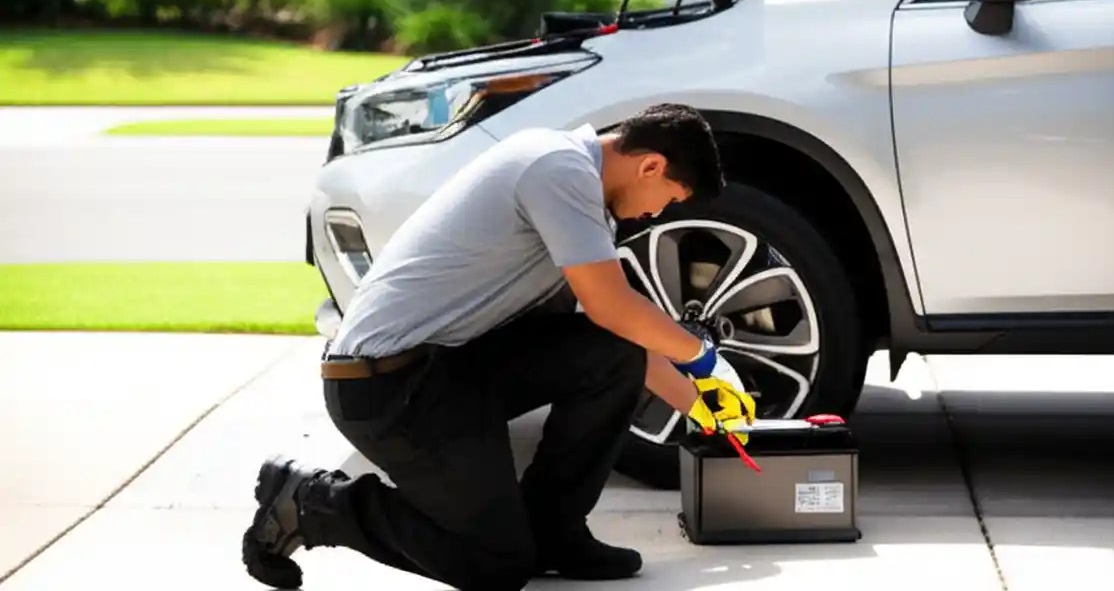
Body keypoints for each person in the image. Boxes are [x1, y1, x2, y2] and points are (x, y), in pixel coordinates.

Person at [241, 103, 756, 591]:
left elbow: (617, 335)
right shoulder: (557, 170)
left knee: (609, 357)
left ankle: (555, 533)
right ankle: (313, 503)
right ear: (651, 165)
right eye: (667, 199)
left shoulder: (576, 186)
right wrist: (704, 358)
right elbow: (612, 307)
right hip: (386, 388)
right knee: (496, 566)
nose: (653, 214)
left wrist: (702, 405)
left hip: (449, 369)